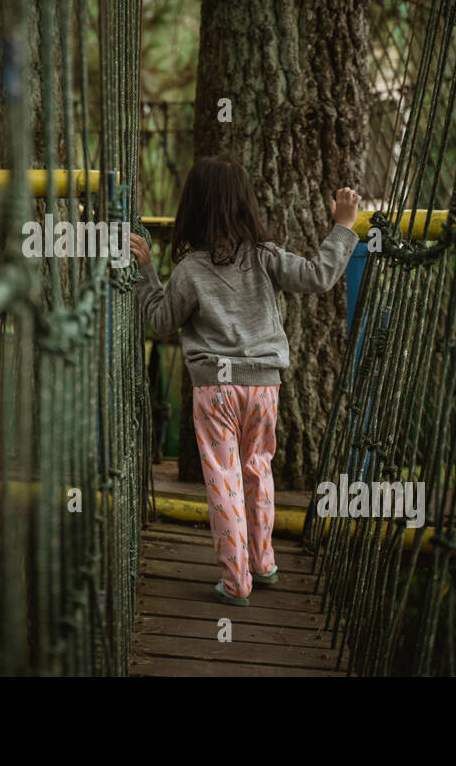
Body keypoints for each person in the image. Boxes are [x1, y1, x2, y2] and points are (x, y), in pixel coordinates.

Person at [127, 155, 361, 606]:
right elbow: (319, 276)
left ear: (192, 208)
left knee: (224, 480)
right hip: (263, 387)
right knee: (258, 469)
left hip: (215, 389)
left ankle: (236, 582)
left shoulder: (191, 271)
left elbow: (159, 321)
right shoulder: (267, 257)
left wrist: (145, 270)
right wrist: (343, 227)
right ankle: (264, 562)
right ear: (245, 205)